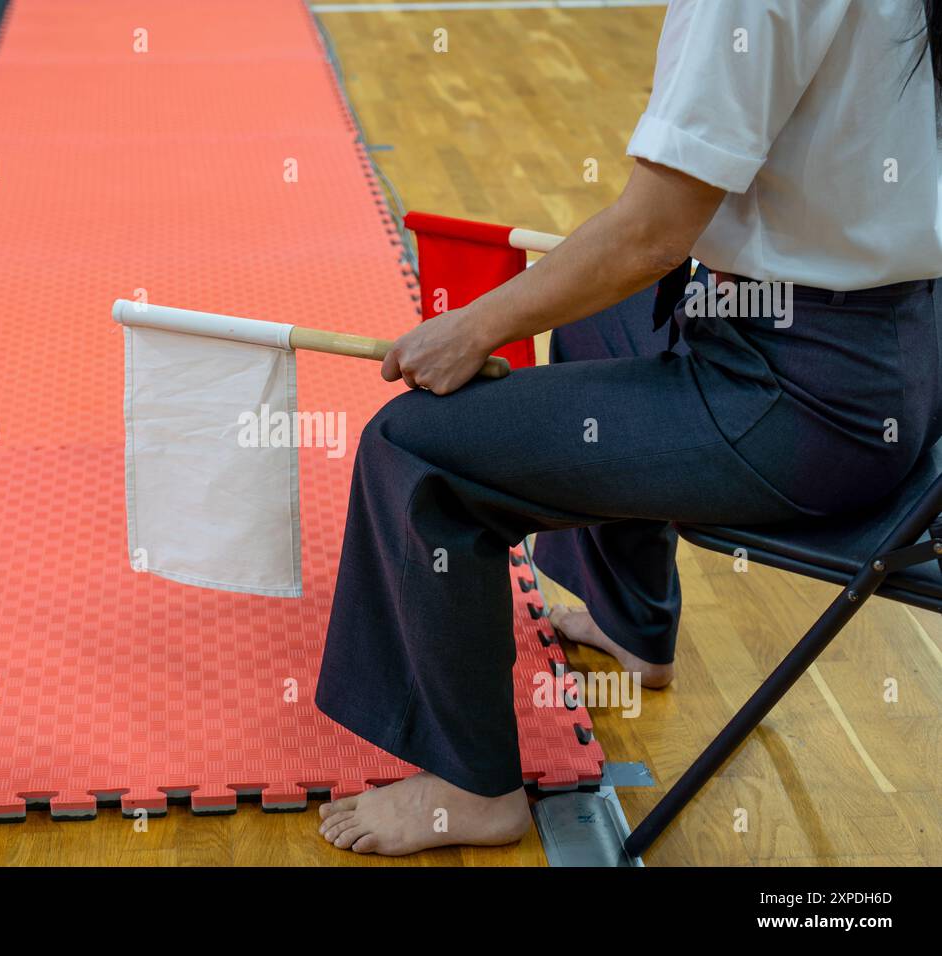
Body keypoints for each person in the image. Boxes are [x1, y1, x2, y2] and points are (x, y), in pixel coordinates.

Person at [314, 0, 942, 855]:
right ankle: (631, 627)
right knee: (596, 329)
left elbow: (649, 236)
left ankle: (472, 788)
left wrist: (473, 327)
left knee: (412, 450)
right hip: (899, 355)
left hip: (801, 406)